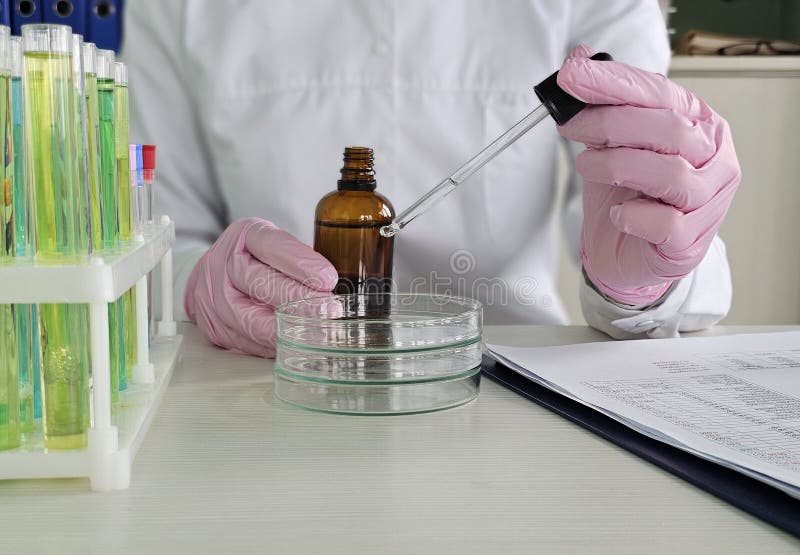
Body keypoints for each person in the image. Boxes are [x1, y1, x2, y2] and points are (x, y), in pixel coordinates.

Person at [124, 1, 740, 358]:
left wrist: (645, 279)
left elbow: (640, 175)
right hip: (268, 379)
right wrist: (195, 284)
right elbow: (157, 231)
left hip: (508, 382)